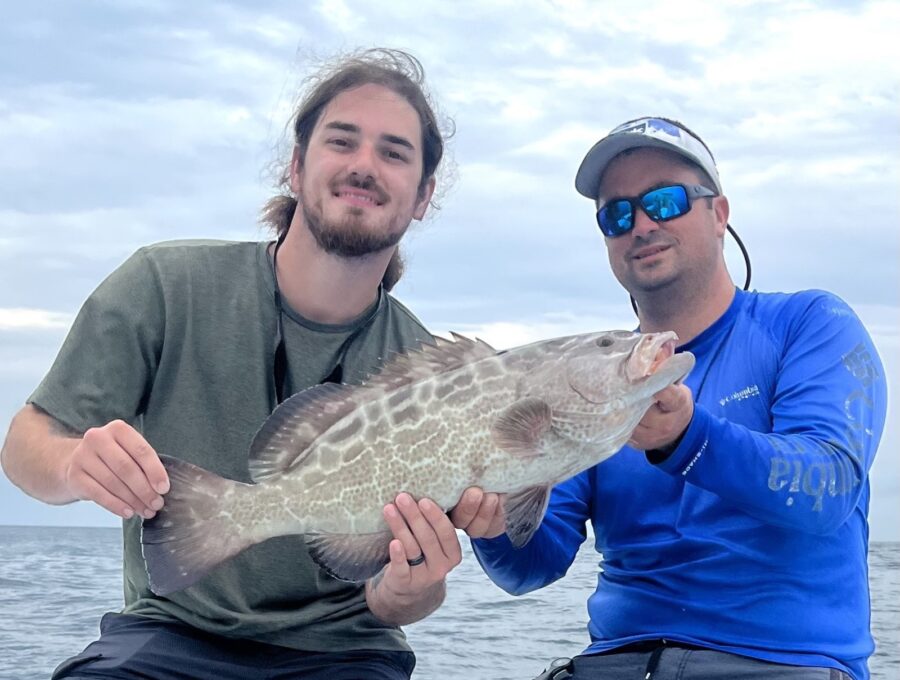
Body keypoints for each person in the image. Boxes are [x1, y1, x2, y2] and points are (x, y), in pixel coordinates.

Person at [1, 48, 464, 680]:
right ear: (296, 168)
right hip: (168, 631)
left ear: (423, 196)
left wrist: (415, 588)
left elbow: (390, 601)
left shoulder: (432, 372)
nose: (363, 166)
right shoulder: (163, 284)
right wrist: (72, 465)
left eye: (393, 152)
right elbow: (26, 445)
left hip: (346, 649)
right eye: (342, 141)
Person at [458, 117, 887, 680]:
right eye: (616, 214)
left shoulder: (810, 324)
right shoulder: (593, 379)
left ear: (720, 214)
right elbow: (534, 564)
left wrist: (688, 439)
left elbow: (827, 489)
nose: (640, 224)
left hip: (781, 665)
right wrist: (489, 524)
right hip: (615, 663)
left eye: (665, 201)